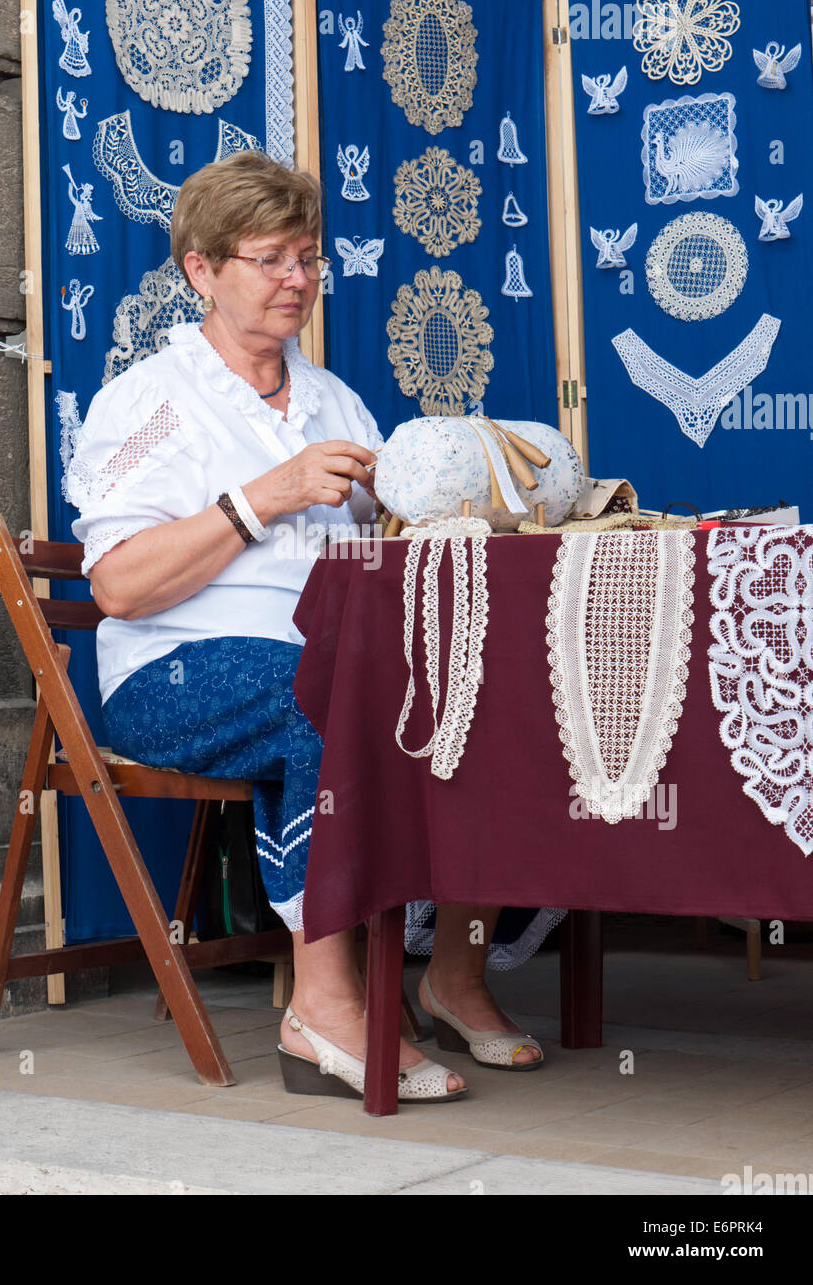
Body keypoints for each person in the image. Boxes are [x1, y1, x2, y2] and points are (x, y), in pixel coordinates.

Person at [68, 151, 551, 1103]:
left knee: (481, 696)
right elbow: (120, 588)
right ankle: (323, 1009)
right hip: (170, 674)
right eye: (270, 258)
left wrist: (430, 507)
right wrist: (263, 500)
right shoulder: (147, 403)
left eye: (309, 256)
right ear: (202, 270)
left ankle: (454, 977)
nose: (298, 278)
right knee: (326, 698)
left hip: (319, 662)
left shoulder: (334, 399)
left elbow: (382, 555)